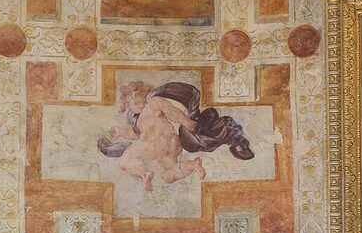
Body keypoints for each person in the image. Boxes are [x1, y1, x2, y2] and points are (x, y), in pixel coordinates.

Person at [98, 81, 253, 191]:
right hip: (169, 149)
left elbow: (171, 110)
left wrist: (185, 121)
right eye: (134, 103)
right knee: (167, 175)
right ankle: (193, 166)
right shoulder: (138, 124)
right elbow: (133, 134)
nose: (139, 105)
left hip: (154, 143)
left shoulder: (153, 103)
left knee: (125, 161)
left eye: (140, 100)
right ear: (128, 107)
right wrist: (120, 132)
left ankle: (144, 174)